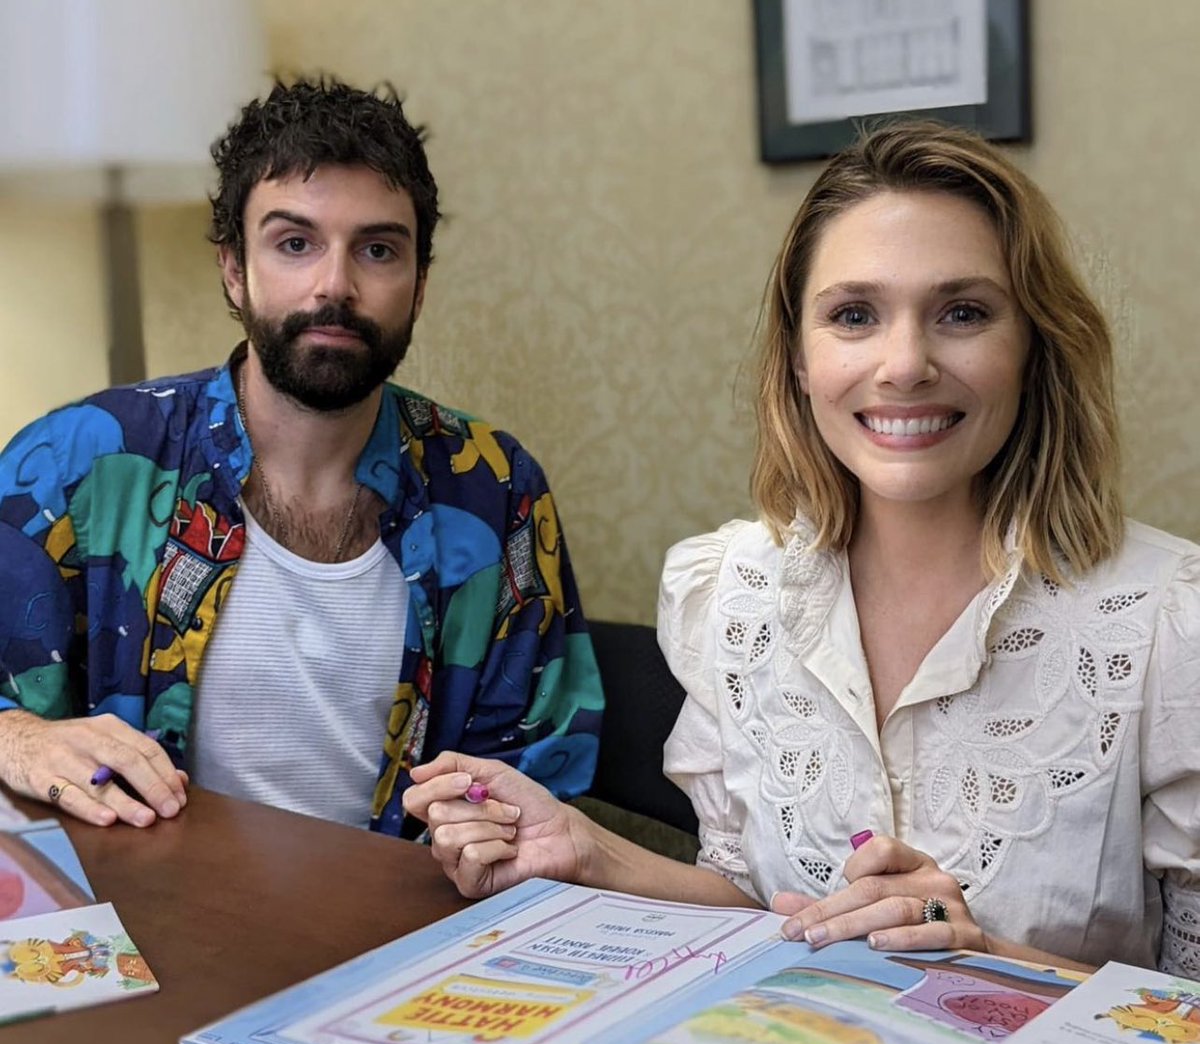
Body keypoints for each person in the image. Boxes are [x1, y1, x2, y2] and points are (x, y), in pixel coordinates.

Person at [405, 121, 1200, 981]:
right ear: (797, 358)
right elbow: (759, 909)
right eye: (854, 315)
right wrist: (586, 849)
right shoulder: (732, 592)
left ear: (1033, 346)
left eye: (962, 312)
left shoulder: (1170, 623)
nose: (904, 364)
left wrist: (991, 959)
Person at [0, 78, 602, 836]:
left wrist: (492, 830)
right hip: (138, 934)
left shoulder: (496, 486)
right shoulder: (80, 461)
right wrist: (17, 737)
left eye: (378, 249)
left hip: (412, 935)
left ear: (418, 285)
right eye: (294, 243)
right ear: (232, 267)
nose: (335, 286)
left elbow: (546, 774)